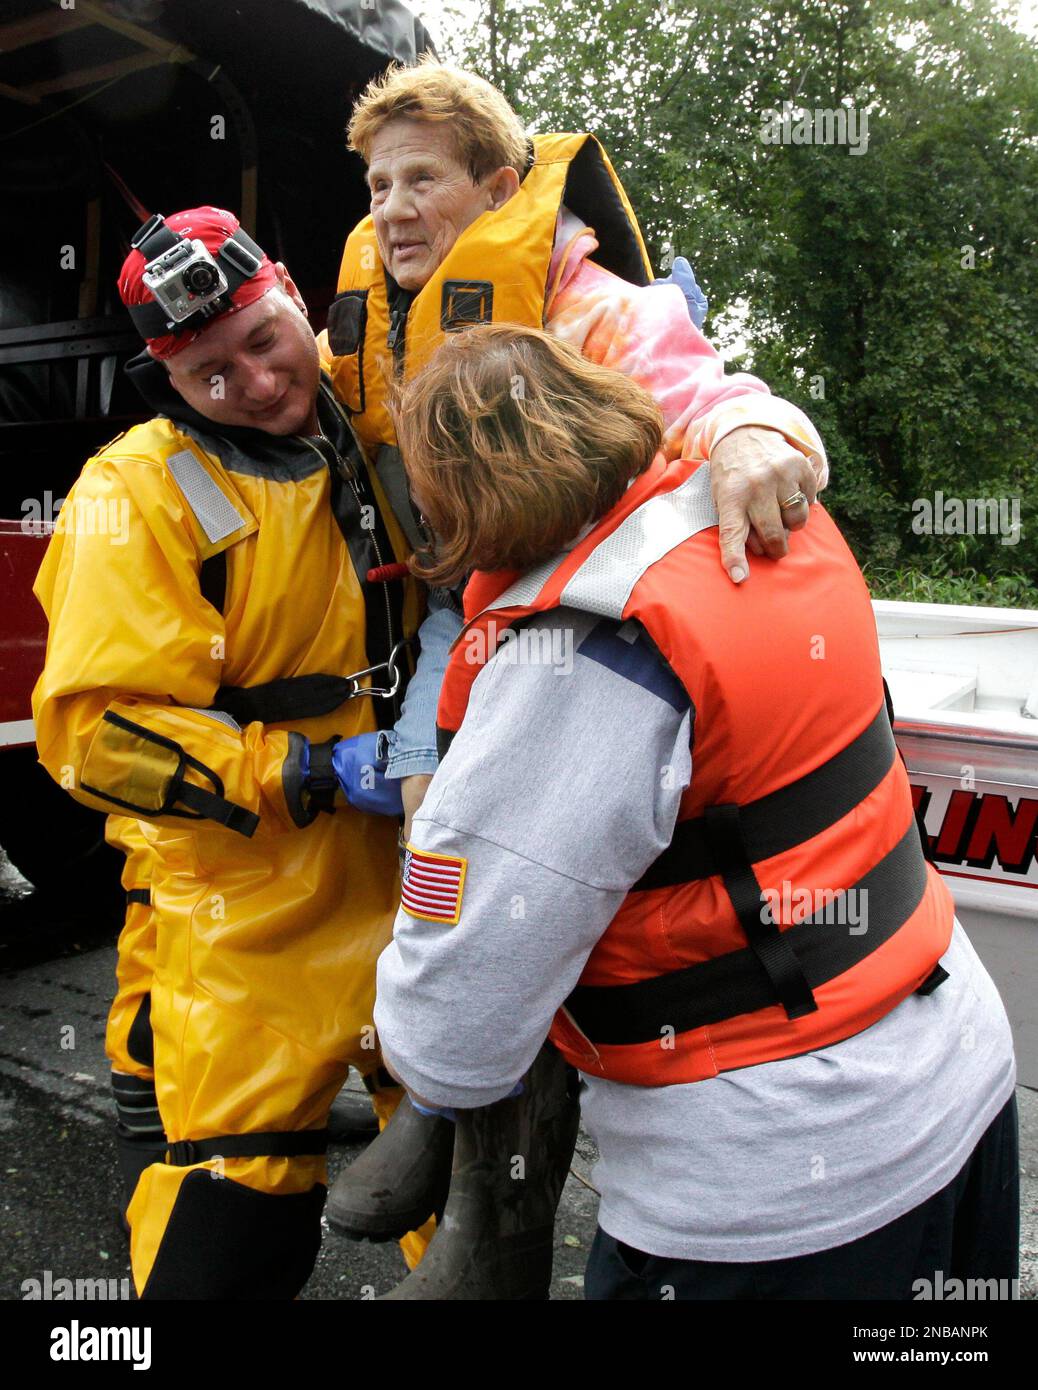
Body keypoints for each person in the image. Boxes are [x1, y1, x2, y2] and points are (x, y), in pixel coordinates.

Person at [372, 323, 1019, 1301]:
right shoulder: (761, 495)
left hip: (785, 1195)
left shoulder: (582, 656)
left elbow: (452, 1034)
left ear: (454, 506)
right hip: (963, 1078)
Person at [320, 55, 834, 1283]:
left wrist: (762, 433)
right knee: (439, 839)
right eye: (380, 184)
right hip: (469, 606)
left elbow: (702, 389)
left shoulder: (589, 297)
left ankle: (489, 1219)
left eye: (424, 179)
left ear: (498, 186)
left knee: (523, 884)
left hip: (587, 625)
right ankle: (439, 1110)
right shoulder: (373, 306)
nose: (392, 207)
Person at [31, 205, 427, 1298]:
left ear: (294, 291)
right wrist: (305, 771)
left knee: (466, 1199)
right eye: (211, 371)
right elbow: (92, 733)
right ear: (168, 372)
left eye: (263, 340)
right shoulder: (135, 492)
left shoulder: (381, 410)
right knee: (234, 1222)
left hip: (424, 881)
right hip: (243, 910)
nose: (254, 384)